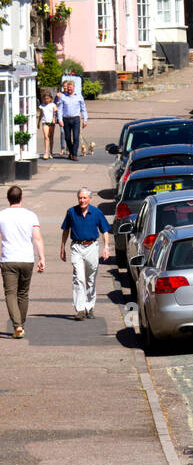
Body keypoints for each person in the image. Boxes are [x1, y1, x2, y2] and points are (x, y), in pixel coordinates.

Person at [0, 185, 45, 338]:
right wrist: (42, 258)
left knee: (10, 293)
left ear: (8, 198)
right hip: (27, 259)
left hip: (8, 259)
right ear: (21, 198)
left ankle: (17, 325)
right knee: (23, 293)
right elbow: (37, 238)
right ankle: (21, 325)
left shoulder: (2, 215)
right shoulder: (31, 215)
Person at [60, 187, 110, 319]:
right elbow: (65, 230)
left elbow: (104, 231)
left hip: (92, 247)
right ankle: (80, 309)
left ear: (90, 199)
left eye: (84, 198)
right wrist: (62, 248)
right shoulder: (71, 212)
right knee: (79, 278)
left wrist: (106, 247)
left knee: (90, 279)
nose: (82, 200)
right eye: (80, 198)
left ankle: (90, 306)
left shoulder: (97, 212)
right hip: (76, 247)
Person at [56, 80, 88, 160]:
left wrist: (85, 119)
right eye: (68, 88)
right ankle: (70, 151)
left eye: (71, 88)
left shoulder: (79, 96)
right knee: (67, 137)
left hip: (75, 119)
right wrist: (60, 120)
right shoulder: (63, 97)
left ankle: (74, 154)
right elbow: (60, 109)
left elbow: (83, 109)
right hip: (66, 119)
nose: (69, 89)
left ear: (74, 87)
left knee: (76, 137)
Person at [39, 90, 58, 159]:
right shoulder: (42, 106)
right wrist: (38, 123)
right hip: (45, 122)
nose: (46, 100)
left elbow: (56, 112)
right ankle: (46, 152)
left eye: (47, 98)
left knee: (51, 137)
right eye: (45, 99)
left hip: (51, 123)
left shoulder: (53, 105)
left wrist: (54, 118)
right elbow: (41, 115)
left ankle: (51, 151)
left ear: (50, 98)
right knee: (46, 137)